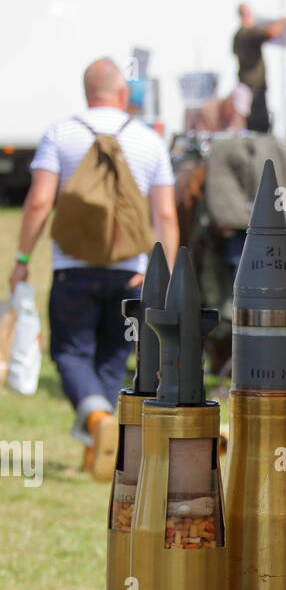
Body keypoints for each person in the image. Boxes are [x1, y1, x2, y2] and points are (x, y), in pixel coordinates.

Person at [10, 58, 178, 478]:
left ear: (87, 92)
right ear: (124, 95)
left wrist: (23, 259)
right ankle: (101, 445)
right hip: (132, 273)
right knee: (113, 357)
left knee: (70, 352)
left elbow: (38, 202)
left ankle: (98, 424)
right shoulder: (148, 139)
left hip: (73, 270)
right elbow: (166, 216)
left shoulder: (61, 133)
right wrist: (166, 273)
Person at [233, 4, 286, 135]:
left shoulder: (238, 35)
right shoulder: (249, 32)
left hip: (245, 84)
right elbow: (271, 33)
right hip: (255, 84)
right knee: (259, 122)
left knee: (250, 120)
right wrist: (284, 20)